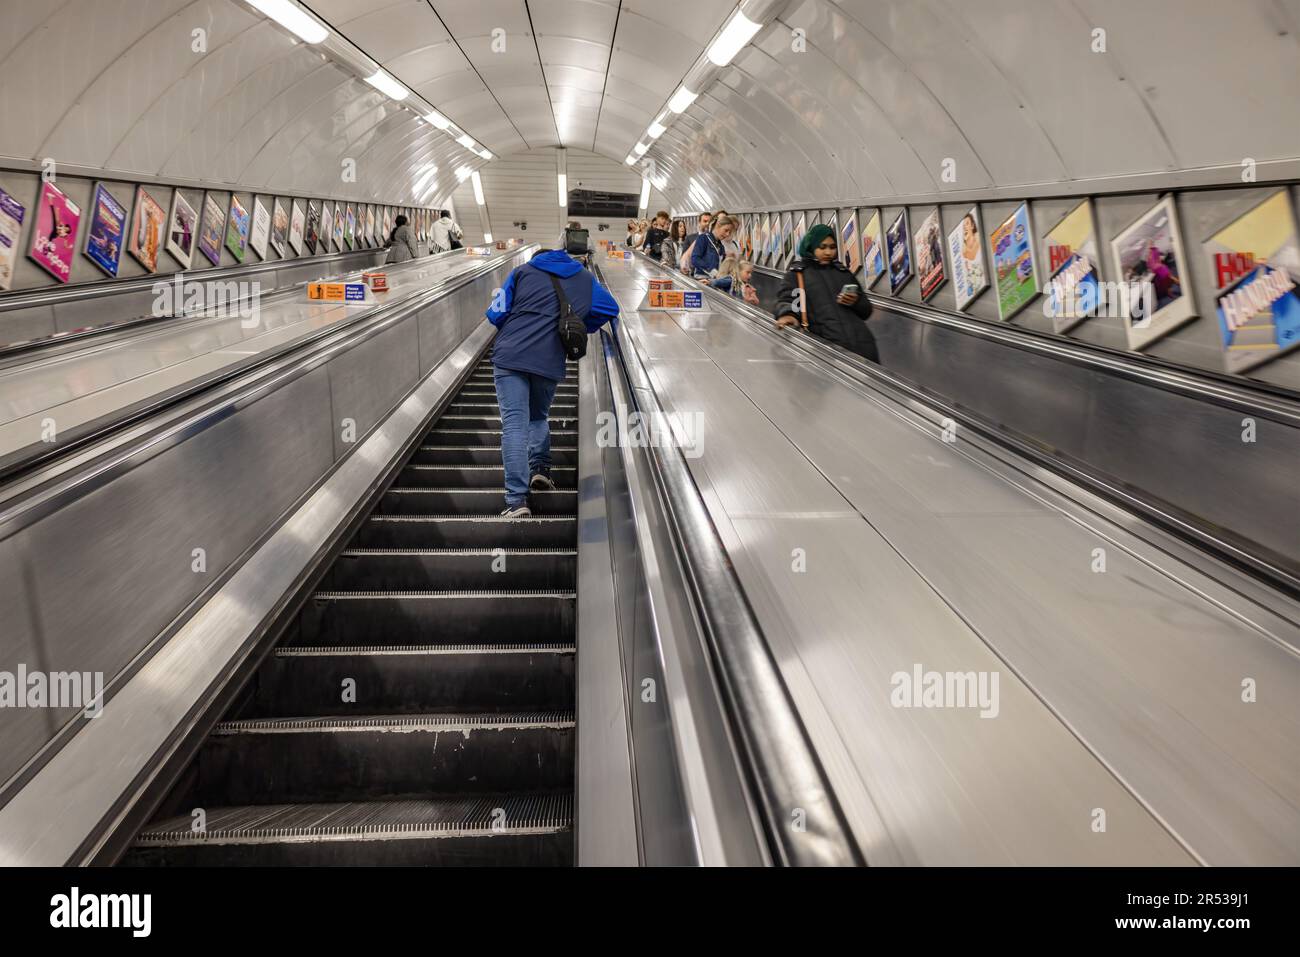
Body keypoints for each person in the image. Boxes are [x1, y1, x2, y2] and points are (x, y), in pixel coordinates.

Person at [486, 248, 620, 517]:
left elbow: (495, 313)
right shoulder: (583, 277)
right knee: (538, 416)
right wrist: (579, 321)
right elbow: (610, 308)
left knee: (514, 424)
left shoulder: (522, 271)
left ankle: (516, 501)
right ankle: (540, 469)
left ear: (537, 258)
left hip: (511, 354)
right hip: (548, 359)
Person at [774, 224, 877, 362]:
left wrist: (856, 301)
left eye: (832, 247)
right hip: (826, 350)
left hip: (863, 348)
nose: (828, 252)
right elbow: (787, 299)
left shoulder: (843, 272)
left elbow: (866, 311)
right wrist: (788, 315)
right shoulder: (798, 274)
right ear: (810, 246)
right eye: (822, 247)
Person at [689, 213, 734, 280]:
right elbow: (695, 259)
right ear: (718, 226)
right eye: (726, 230)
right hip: (702, 280)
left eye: (729, 232)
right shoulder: (703, 238)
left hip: (714, 281)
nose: (727, 234)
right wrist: (711, 270)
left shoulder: (721, 247)